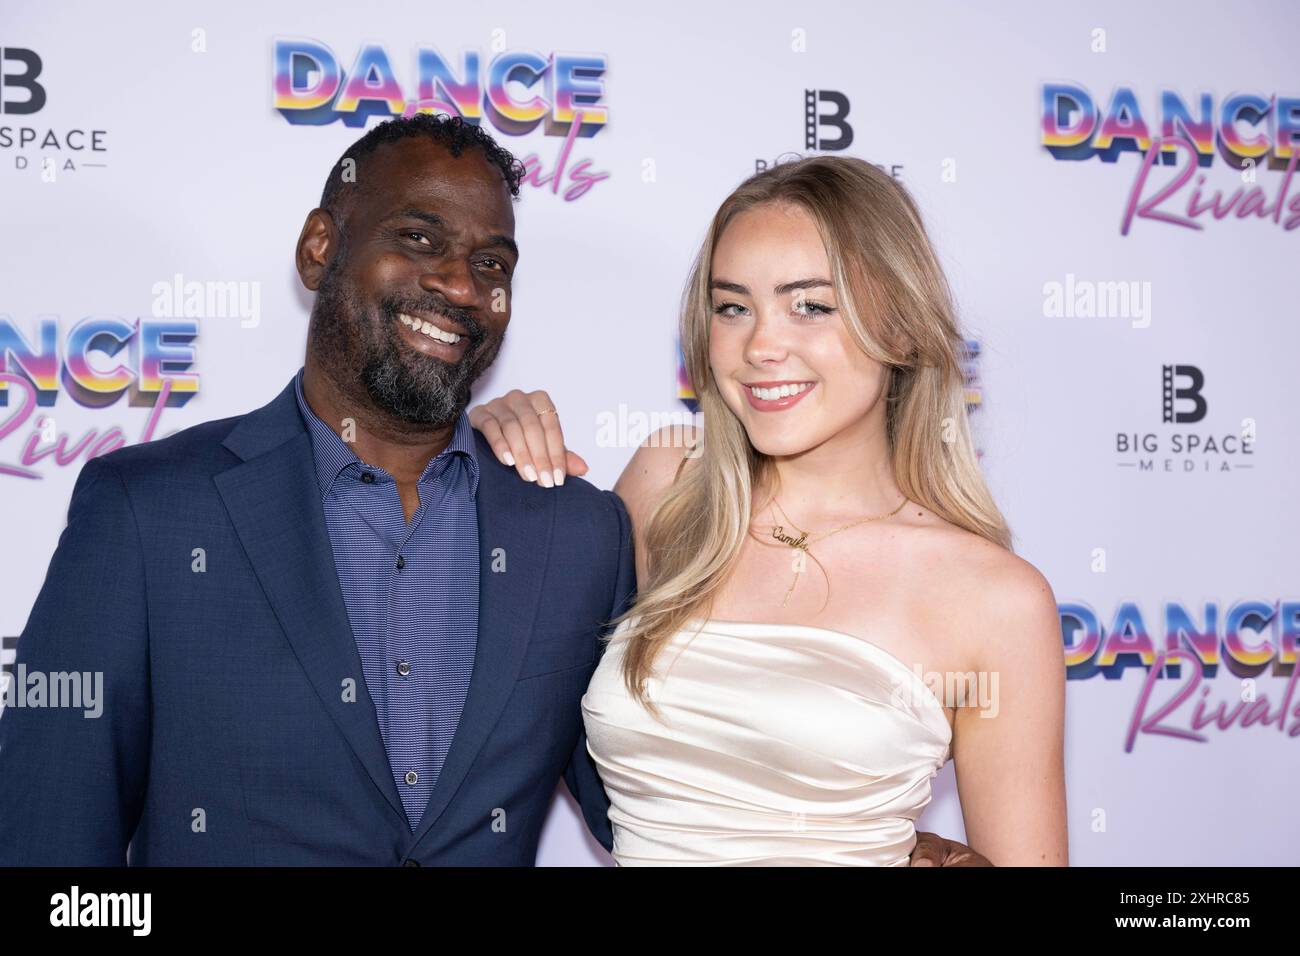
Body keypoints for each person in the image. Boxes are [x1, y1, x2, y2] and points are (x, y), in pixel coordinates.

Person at [0, 114, 633, 865]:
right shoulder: (150, 509)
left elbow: (656, 814)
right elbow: (49, 847)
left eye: (493, 265)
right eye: (420, 240)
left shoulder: (578, 532)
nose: (461, 285)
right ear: (319, 248)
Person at [469, 155, 1069, 865]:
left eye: (810, 305)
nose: (761, 346)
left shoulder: (994, 599)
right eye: (733, 307)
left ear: (903, 330)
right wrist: (470, 456)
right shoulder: (668, 487)